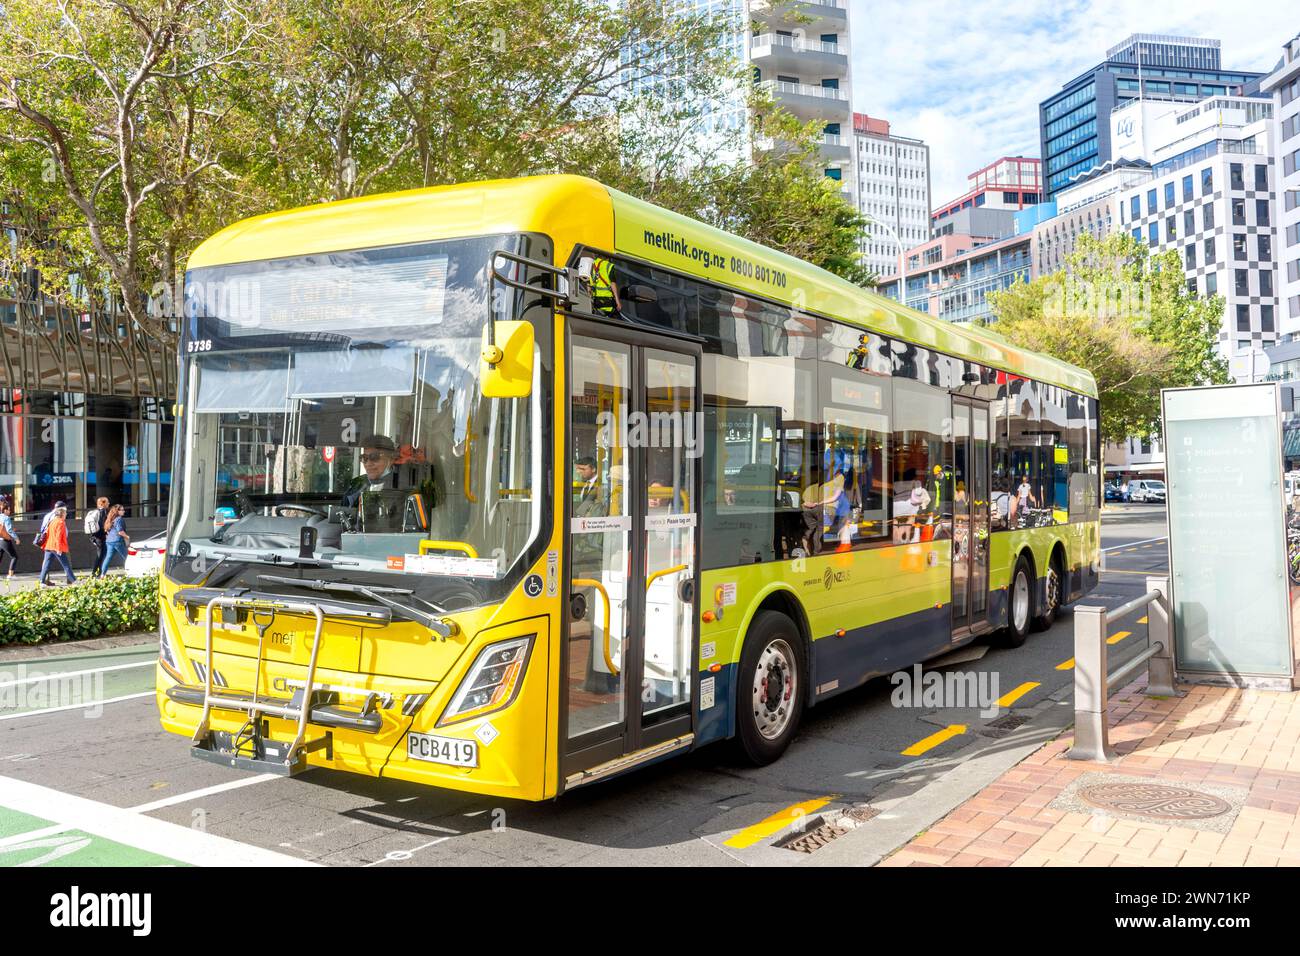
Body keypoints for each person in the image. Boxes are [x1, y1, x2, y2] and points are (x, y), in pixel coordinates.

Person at [341, 436, 400, 509]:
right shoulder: (356, 485)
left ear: (390, 459)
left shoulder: (400, 486)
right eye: (364, 458)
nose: (368, 464)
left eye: (374, 457)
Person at [39, 505, 75, 586]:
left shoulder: (52, 521)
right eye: (65, 513)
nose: (66, 514)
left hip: (49, 545)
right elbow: (58, 536)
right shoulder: (61, 522)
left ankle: (41, 581)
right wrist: (59, 548)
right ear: (62, 514)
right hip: (57, 546)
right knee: (66, 564)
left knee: (46, 564)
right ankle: (73, 580)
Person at [100, 504, 130, 575]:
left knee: (108, 558)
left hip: (109, 541)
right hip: (117, 541)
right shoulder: (119, 519)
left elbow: (107, 531)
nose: (124, 511)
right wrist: (127, 537)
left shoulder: (111, 519)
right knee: (127, 557)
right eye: (122, 510)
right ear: (117, 511)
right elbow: (120, 531)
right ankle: (131, 572)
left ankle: (102, 575)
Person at [85, 495, 110, 576]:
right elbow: (102, 524)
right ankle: (96, 572)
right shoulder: (102, 512)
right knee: (101, 554)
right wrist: (105, 533)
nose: (108, 503)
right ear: (102, 504)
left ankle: (98, 572)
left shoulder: (95, 512)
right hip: (100, 537)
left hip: (95, 536)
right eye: (107, 502)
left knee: (101, 554)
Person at [0, 498, 19, 586]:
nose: (10, 511)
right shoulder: (6, 518)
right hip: (5, 540)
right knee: (14, 557)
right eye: (9, 510)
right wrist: (16, 538)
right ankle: (10, 575)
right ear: (5, 510)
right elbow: (9, 530)